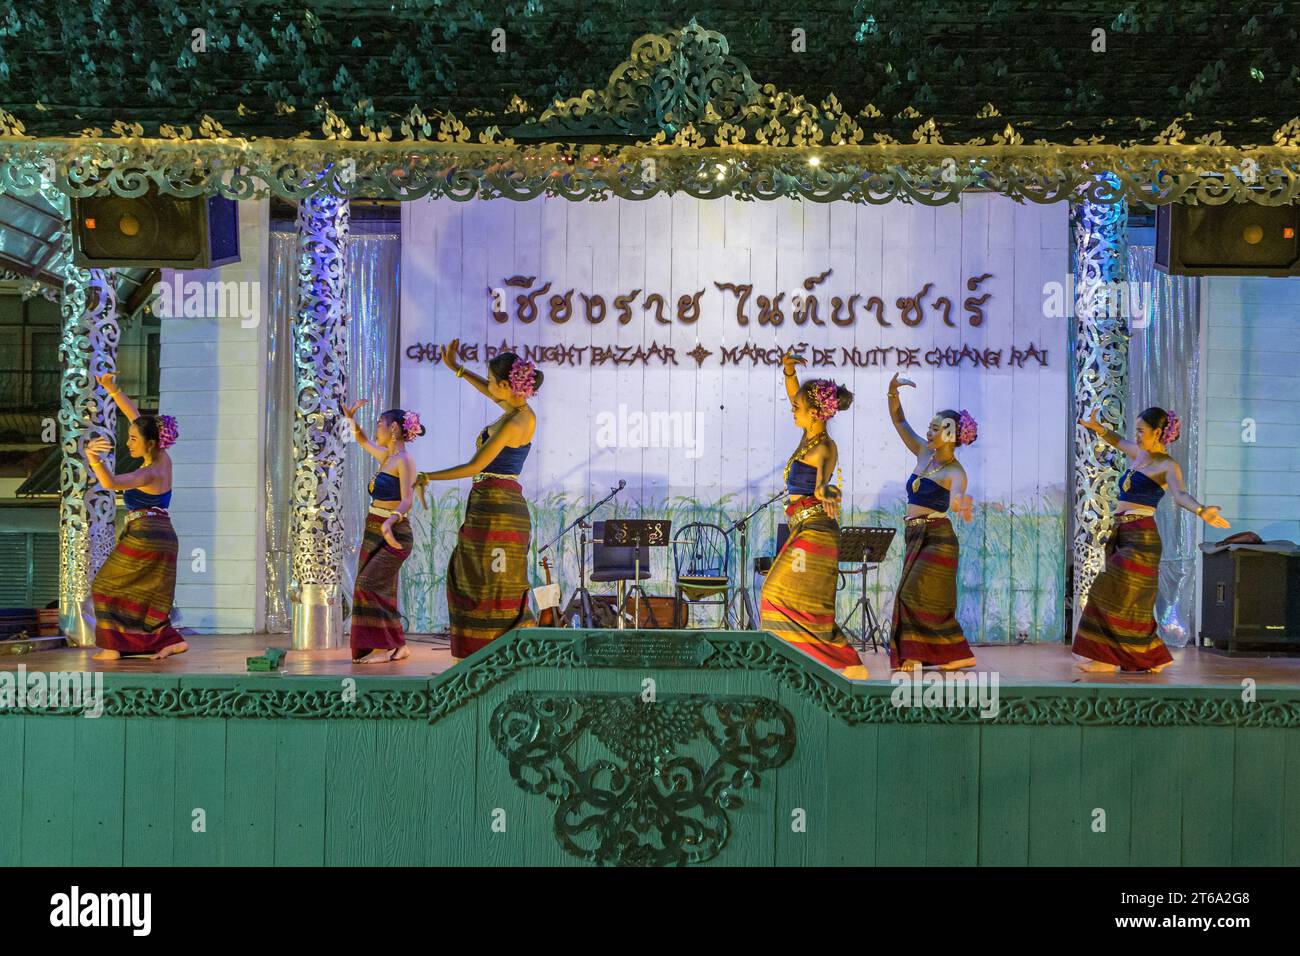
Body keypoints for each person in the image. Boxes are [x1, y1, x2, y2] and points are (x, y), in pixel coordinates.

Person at [1074, 406, 1229, 672]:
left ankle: (1106, 659)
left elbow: (1180, 496)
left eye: (1141, 431)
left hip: (1142, 539)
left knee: (1107, 590)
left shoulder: (1167, 465)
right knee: (1130, 602)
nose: (1136, 436)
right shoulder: (1140, 455)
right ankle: (1151, 657)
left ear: (1158, 433)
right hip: (1123, 534)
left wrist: (1202, 510)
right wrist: (1097, 428)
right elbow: (1118, 441)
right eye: (1136, 430)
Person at [418, 341, 538, 661]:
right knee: (470, 574)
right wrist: (458, 369)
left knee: (490, 582)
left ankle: (492, 651)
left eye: (492, 380)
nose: (489, 387)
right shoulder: (516, 410)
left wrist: (428, 476)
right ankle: (480, 651)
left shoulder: (516, 421)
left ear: (506, 385)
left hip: (499, 509)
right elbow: (490, 390)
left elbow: (474, 466)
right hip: (489, 505)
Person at [759, 351, 869, 679]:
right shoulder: (809, 436)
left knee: (777, 593)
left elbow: (821, 485)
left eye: (798, 408)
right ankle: (816, 661)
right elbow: (796, 394)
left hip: (816, 529)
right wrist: (788, 371)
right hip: (803, 527)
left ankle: (842, 662)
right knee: (793, 598)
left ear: (815, 413)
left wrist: (828, 492)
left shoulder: (824, 447)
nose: (793, 410)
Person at [84, 372, 188, 660]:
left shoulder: (148, 472)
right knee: (148, 593)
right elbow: (136, 418)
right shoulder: (163, 457)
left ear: (150, 443)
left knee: (105, 585)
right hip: (162, 533)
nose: (128, 443)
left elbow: (110, 484)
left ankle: (113, 647)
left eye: (133, 439)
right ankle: (170, 640)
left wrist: (93, 459)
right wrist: (114, 390)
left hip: (146, 534)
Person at [886, 374, 978, 672]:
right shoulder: (924, 453)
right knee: (920, 597)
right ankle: (951, 654)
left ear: (951, 435)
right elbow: (901, 424)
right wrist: (892, 396)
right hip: (915, 535)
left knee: (911, 593)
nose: (929, 430)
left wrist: (960, 502)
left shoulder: (955, 471)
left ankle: (918, 655)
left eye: (936, 428)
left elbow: (958, 493)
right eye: (931, 425)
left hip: (937, 537)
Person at [344, 402, 422, 663]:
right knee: (381, 589)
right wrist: (351, 420)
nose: (376, 429)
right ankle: (398, 645)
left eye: (380, 424)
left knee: (367, 584)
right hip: (374, 529)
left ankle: (382, 646)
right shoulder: (386, 457)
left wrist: (391, 522)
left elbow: (407, 498)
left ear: (395, 428)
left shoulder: (405, 460)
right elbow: (362, 439)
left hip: (396, 533)